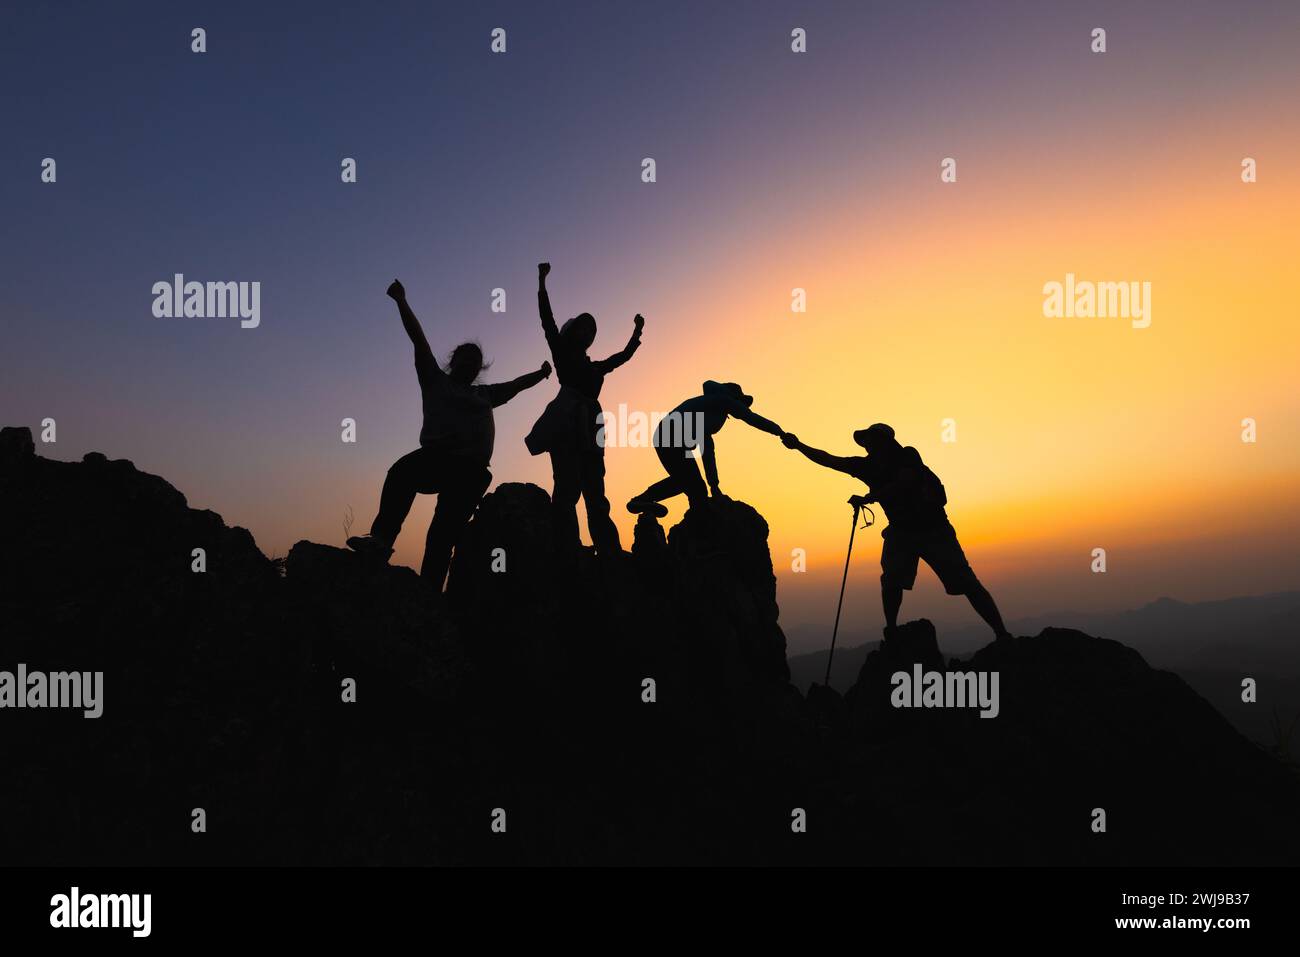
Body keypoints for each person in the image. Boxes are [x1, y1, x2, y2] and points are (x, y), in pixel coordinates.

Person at [347, 279, 551, 589]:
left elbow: (515, 386)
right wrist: (401, 300)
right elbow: (419, 339)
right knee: (401, 472)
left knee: (441, 535)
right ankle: (381, 541)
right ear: (453, 360)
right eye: (464, 359)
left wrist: (540, 374)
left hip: (471, 473)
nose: (469, 365)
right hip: (438, 460)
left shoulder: (484, 394)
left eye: (475, 362)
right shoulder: (434, 381)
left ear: (479, 368)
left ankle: (430, 593)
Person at [781, 423, 1012, 640]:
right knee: (892, 581)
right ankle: (891, 630)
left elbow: (905, 482)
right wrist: (799, 446)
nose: (866, 445)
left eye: (870, 439)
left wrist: (870, 497)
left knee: (966, 583)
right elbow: (830, 460)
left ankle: (1001, 633)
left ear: (883, 441)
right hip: (908, 531)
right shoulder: (868, 466)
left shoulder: (907, 455)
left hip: (932, 530)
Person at [525, 262, 643, 557]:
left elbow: (622, 357)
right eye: (583, 325)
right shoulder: (562, 352)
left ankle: (608, 550)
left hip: (593, 425)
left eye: (591, 328)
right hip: (568, 420)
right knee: (567, 488)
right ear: (572, 332)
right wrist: (541, 281)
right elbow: (546, 320)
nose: (588, 331)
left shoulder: (595, 367)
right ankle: (567, 548)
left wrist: (637, 332)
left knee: (596, 492)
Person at [626, 381, 784, 515]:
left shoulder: (707, 416)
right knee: (695, 488)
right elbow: (752, 418)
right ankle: (702, 535)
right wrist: (780, 432)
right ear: (734, 399)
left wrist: (714, 485)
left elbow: (708, 453)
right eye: (740, 403)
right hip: (671, 436)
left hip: (666, 436)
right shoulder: (722, 400)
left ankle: (643, 500)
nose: (741, 409)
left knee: (687, 482)